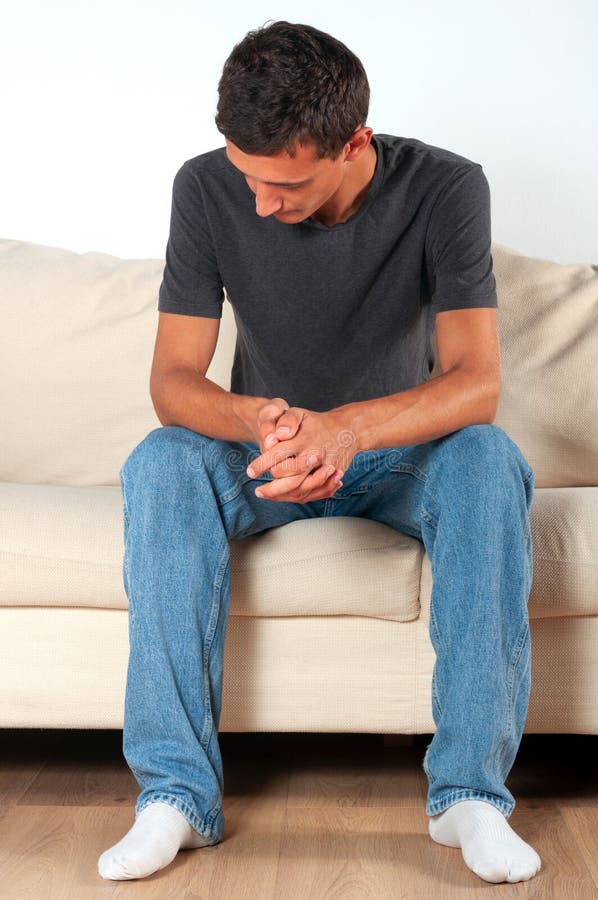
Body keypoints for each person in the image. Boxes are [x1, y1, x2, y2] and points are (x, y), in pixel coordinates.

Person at [98, 19, 541, 885]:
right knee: (160, 460)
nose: (262, 204)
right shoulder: (203, 188)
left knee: (487, 457)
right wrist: (270, 422)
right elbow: (175, 382)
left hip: (396, 459)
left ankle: (470, 797)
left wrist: (348, 429)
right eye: (248, 176)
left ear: (354, 143)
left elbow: (474, 382)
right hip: (269, 454)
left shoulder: (447, 187)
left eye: (286, 183)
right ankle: (174, 798)